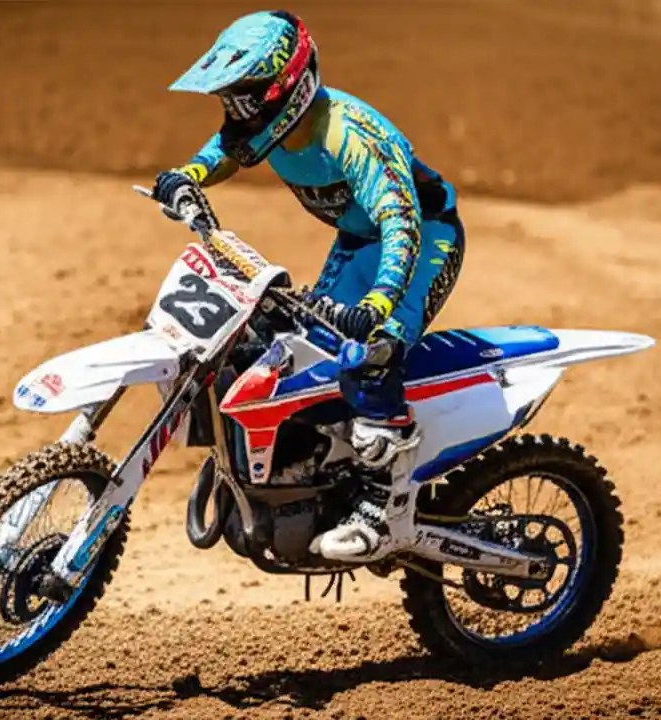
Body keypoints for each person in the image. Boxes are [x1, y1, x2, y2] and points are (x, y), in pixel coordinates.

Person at [153, 9, 464, 561]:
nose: (235, 114)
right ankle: (324, 475)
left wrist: (377, 303)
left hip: (422, 239)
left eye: (244, 100)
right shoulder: (272, 131)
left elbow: (401, 224)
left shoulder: (349, 136)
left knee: (373, 349)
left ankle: (386, 510)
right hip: (357, 240)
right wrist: (186, 176)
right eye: (228, 101)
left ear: (283, 91)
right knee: (301, 348)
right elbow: (224, 152)